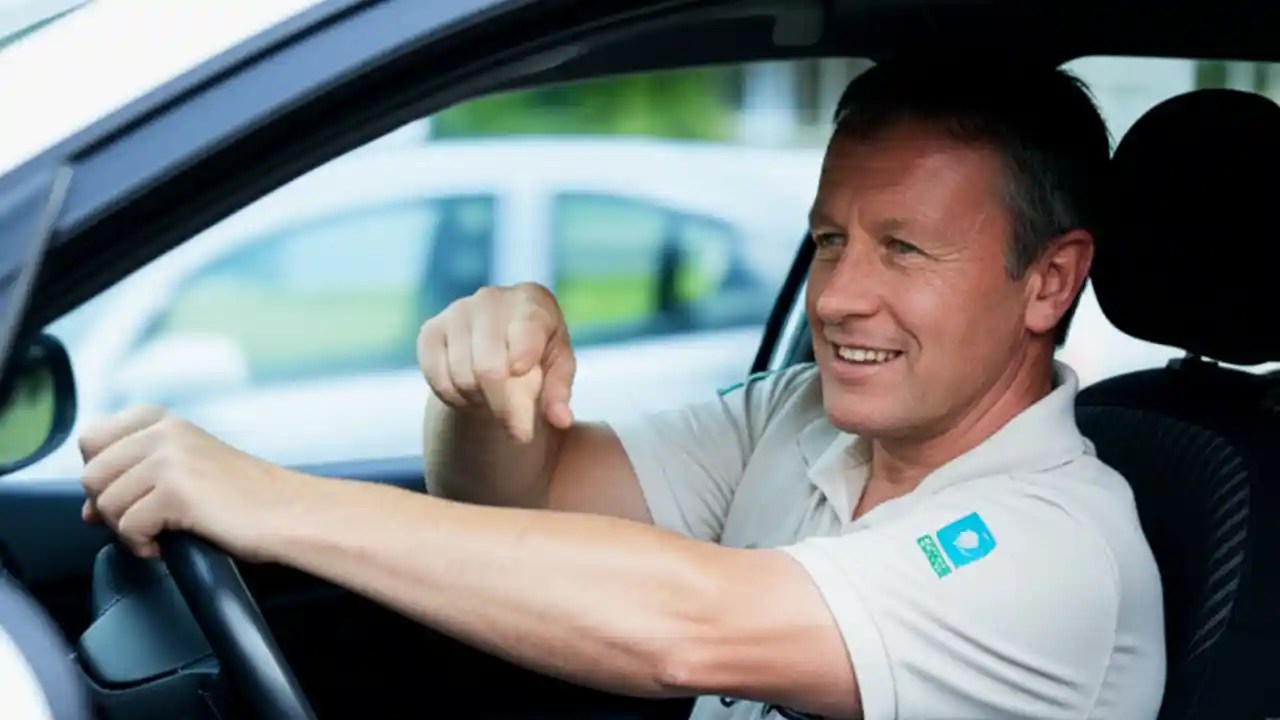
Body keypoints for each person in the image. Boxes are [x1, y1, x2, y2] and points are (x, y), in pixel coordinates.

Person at [77, 56, 1167, 719]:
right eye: (828, 241)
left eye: (902, 251)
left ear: (1048, 281)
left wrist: (263, 500)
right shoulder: (799, 420)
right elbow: (523, 506)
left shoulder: (1054, 550)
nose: (837, 296)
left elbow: (685, 624)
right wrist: (485, 387)